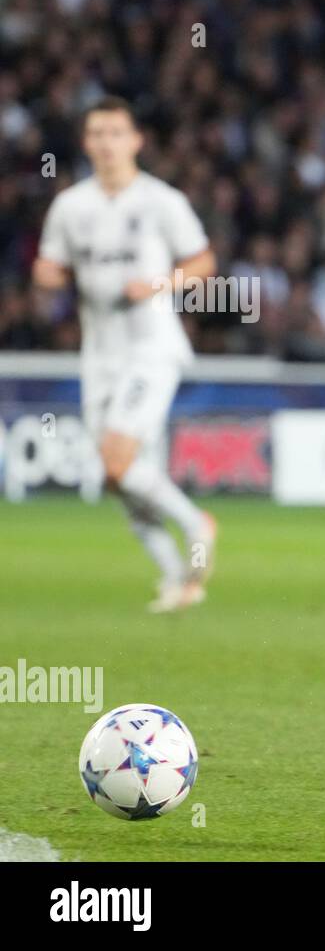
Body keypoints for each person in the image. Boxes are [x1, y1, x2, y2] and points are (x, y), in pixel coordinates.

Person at [33, 96, 218, 613]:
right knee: (119, 479)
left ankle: (197, 525)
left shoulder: (161, 201)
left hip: (151, 348)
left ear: (136, 140)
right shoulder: (71, 207)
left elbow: (203, 263)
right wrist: (49, 275)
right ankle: (178, 580)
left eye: (115, 132)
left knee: (117, 462)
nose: (106, 143)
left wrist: (160, 284)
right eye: (97, 133)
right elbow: (49, 266)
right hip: (100, 354)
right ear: (86, 142)